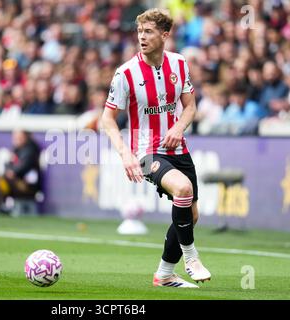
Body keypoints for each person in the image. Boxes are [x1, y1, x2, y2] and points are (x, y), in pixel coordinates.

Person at [101, 8, 210, 288]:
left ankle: (164, 274)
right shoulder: (125, 73)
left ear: (165, 34)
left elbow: (190, 107)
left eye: (148, 31)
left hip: (177, 147)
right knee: (183, 190)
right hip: (145, 152)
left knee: (191, 213)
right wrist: (125, 154)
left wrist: (177, 128)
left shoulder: (180, 63)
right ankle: (191, 257)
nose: (142, 37)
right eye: (139, 32)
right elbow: (107, 119)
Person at [0, 130, 41, 214]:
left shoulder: (31, 149)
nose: (16, 140)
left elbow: (24, 166)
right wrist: (10, 172)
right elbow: (8, 164)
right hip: (15, 180)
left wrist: (13, 172)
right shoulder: (17, 149)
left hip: (27, 184)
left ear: (25, 137)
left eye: (19, 137)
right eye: (15, 137)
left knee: (0, 181)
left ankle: (2, 207)